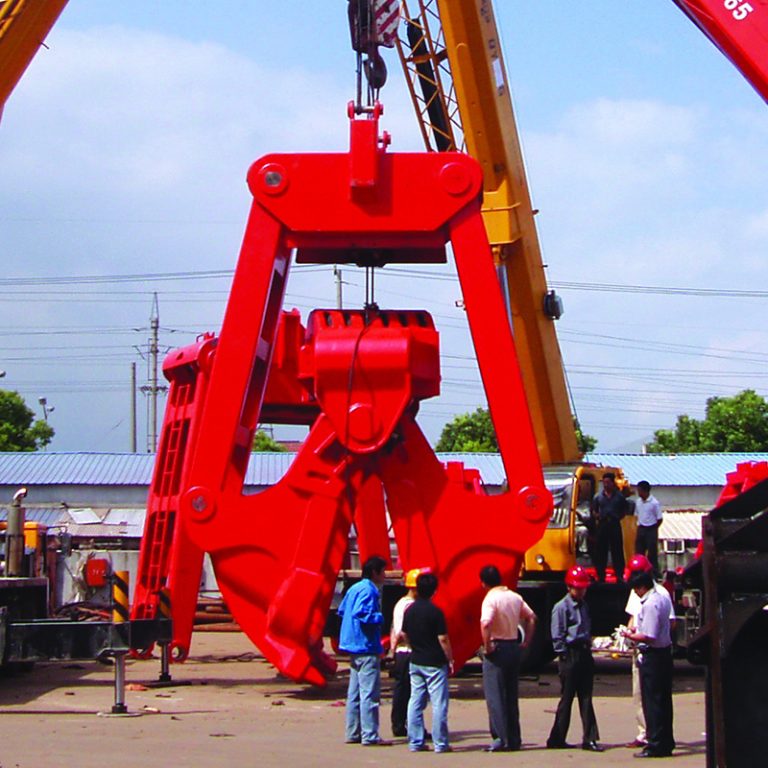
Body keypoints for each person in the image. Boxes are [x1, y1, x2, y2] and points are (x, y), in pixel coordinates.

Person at [479, 564, 537, 752]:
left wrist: (487, 647)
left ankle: (500, 738)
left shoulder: (490, 599)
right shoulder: (514, 597)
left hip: (497, 647)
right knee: (511, 695)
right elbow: (531, 617)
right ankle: (514, 737)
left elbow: (486, 623)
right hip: (513, 645)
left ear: (483, 583)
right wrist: (526, 641)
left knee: (495, 694)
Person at [546, 566, 603, 753]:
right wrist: (563, 655)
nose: (581, 591)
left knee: (586, 697)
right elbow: (557, 634)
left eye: (583, 588)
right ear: (569, 587)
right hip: (569, 654)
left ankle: (590, 738)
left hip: (584, 652)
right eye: (578, 588)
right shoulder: (561, 608)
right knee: (567, 697)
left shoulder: (585, 605)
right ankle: (557, 738)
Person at [623, 554, 676, 751]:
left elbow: (650, 634)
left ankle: (655, 741)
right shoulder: (650, 596)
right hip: (654, 652)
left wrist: (631, 635)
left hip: (653, 654)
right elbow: (634, 618)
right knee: (652, 698)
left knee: (653, 701)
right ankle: (656, 737)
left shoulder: (655, 599)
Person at [338, 555, 389, 746]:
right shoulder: (370, 590)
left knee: (355, 693)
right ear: (375, 572)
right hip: (366, 646)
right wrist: (380, 618)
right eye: (383, 571)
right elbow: (362, 614)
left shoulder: (354, 588)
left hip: (352, 645)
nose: (385, 575)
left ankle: (352, 732)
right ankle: (370, 734)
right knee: (369, 693)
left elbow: (343, 611)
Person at [401, 571, 454, 753]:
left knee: (415, 700)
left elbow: (404, 634)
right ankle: (440, 743)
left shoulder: (410, 610)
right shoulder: (436, 612)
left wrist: (413, 646)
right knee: (439, 703)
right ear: (434, 591)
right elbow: (443, 639)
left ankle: (415, 741)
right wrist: (450, 658)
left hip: (416, 660)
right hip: (434, 662)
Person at [389, 567, 429, 738]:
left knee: (405, 691)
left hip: (401, 652)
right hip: (408, 652)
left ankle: (401, 724)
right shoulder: (409, 606)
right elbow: (402, 632)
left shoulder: (400, 603)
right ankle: (405, 726)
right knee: (412, 693)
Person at [591, 472, 629, 582]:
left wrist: (618, 516)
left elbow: (625, 510)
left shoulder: (619, 497)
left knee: (617, 550)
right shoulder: (598, 497)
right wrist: (597, 516)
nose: (606, 485)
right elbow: (593, 510)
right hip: (602, 525)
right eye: (604, 482)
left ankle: (619, 575)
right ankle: (600, 575)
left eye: (608, 482)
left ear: (613, 483)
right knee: (601, 551)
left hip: (614, 524)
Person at [634, 481, 663, 574]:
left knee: (652, 554)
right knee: (639, 552)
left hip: (651, 529)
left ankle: (653, 573)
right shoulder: (638, 502)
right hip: (641, 528)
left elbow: (659, 518)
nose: (638, 492)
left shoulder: (654, 503)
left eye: (639, 490)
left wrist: (653, 528)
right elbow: (637, 514)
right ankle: (639, 572)